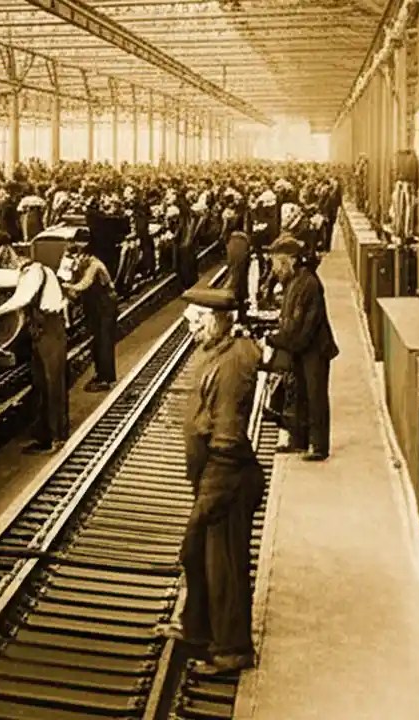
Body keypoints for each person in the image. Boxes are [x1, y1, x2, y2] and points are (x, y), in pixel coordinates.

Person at [160, 286, 263, 675]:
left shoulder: (233, 364)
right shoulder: (216, 352)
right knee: (197, 553)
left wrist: (213, 488)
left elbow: (229, 433)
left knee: (224, 564)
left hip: (227, 473)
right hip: (214, 472)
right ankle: (198, 628)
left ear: (218, 321)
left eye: (197, 321)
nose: (192, 328)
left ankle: (232, 650)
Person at [265, 235, 337, 461]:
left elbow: (301, 329)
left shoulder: (308, 284)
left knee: (315, 396)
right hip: (301, 348)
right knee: (300, 394)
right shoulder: (294, 281)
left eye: (277, 262)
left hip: (314, 349)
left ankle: (319, 446)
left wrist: (274, 339)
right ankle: (299, 440)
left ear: (291, 260)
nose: (274, 268)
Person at [22, 261, 71, 454]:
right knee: (41, 382)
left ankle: (56, 437)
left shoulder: (36, 274)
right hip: (43, 329)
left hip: (49, 329)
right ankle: (46, 434)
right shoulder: (42, 272)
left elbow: (26, 299)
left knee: (52, 383)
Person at [61, 230, 118, 392]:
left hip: (106, 304)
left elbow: (84, 284)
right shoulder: (85, 261)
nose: (80, 256)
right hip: (97, 305)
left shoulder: (95, 264)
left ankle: (106, 378)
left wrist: (68, 286)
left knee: (104, 341)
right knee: (97, 341)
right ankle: (101, 374)